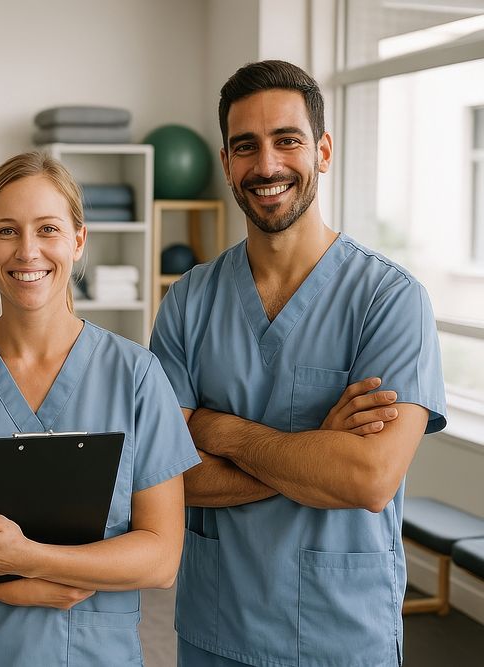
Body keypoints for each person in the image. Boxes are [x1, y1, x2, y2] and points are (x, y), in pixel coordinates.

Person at [150, 60, 447, 666]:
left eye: (287, 140)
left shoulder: (389, 301)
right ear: (228, 163)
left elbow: (366, 479)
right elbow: (163, 479)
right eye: (245, 147)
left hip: (340, 631)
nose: (267, 165)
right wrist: (315, 455)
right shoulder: (188, 302)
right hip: (216, 626)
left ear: (323, 150)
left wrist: (219, 430)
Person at [0, 151, 198, 666]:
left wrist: (28, 559)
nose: (28, 251)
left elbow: (162, 557)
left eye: (47, 229)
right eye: (7, 231)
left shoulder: (136, 376)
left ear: (78, 239)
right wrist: (2, 589)